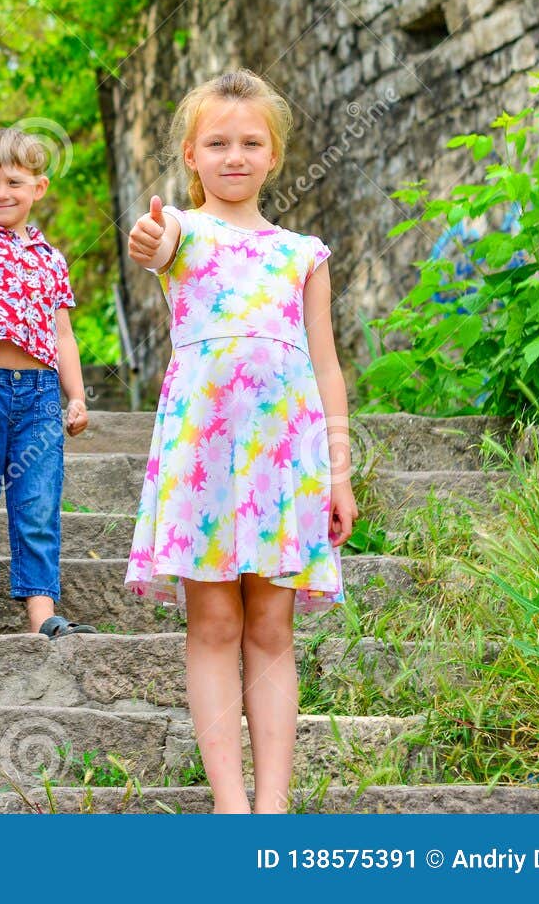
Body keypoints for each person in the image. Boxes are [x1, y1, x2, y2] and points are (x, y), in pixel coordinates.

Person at [123, 69, 355, 813]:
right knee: (215, 621)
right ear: (190, 155)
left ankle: (274, 801)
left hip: (287, 460)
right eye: (216, 142)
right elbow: (158, 245)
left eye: (251, 141)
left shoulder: (303, 254)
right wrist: (153, 237)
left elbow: (325, 364)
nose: (234, 155)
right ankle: (230, 801)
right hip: (203, 460)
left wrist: (340, 473)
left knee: (272, 625)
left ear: (275, 154)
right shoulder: (187, 232)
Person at [0, 125, 95, 640]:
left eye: (13, 182)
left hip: (40, 395)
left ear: (39, 188)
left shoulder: (52, 259)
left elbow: (63, 334)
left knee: (38, 504)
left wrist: (75, 395)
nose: (0, 193)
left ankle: (41, 612)